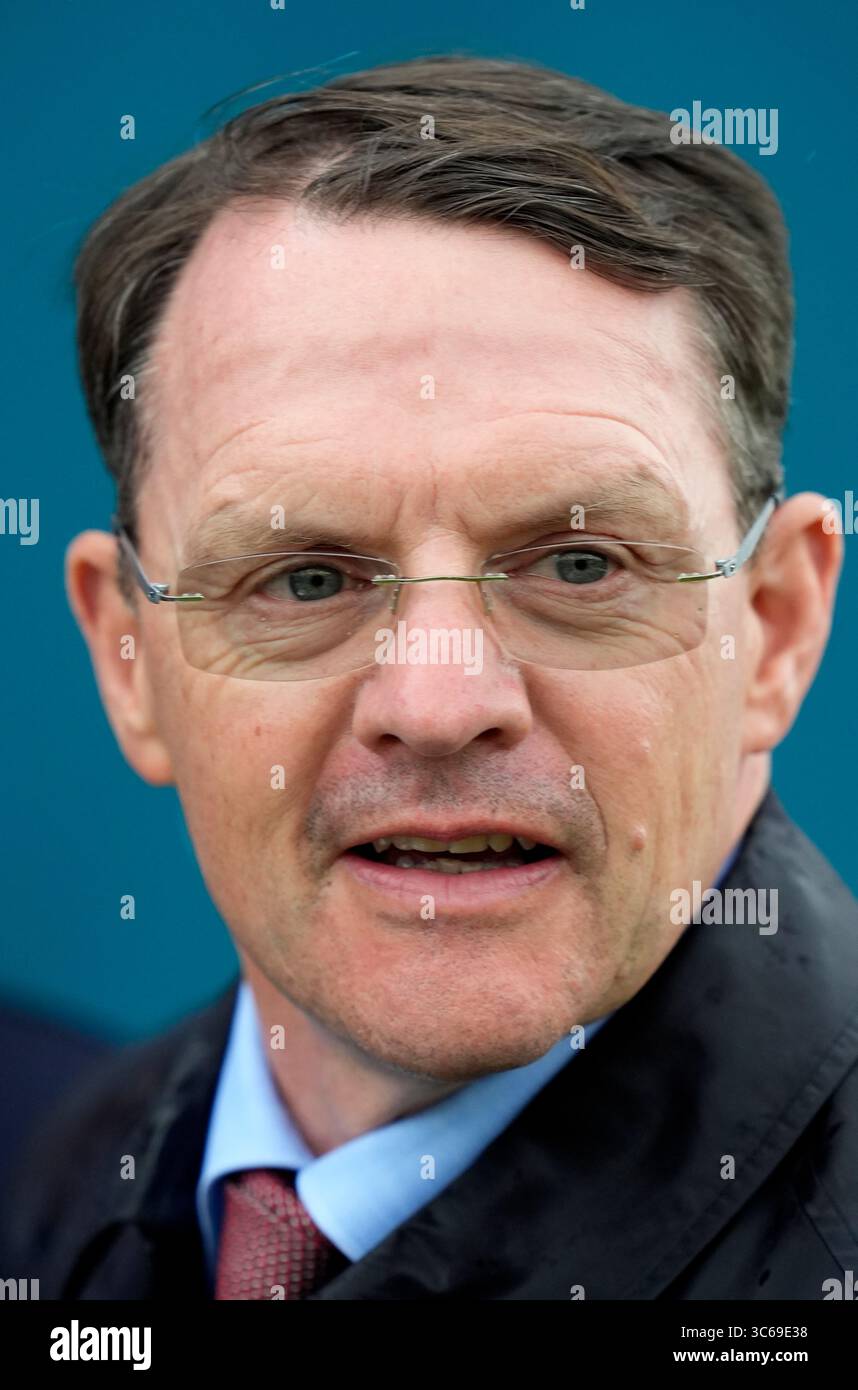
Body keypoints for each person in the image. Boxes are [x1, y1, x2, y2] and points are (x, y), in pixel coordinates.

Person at [4, 54, 856, 1301]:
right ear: (129, 658)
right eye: (305, 579)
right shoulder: (50, 1167)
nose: (439, 703)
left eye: (577, 562)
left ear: (775, 626)